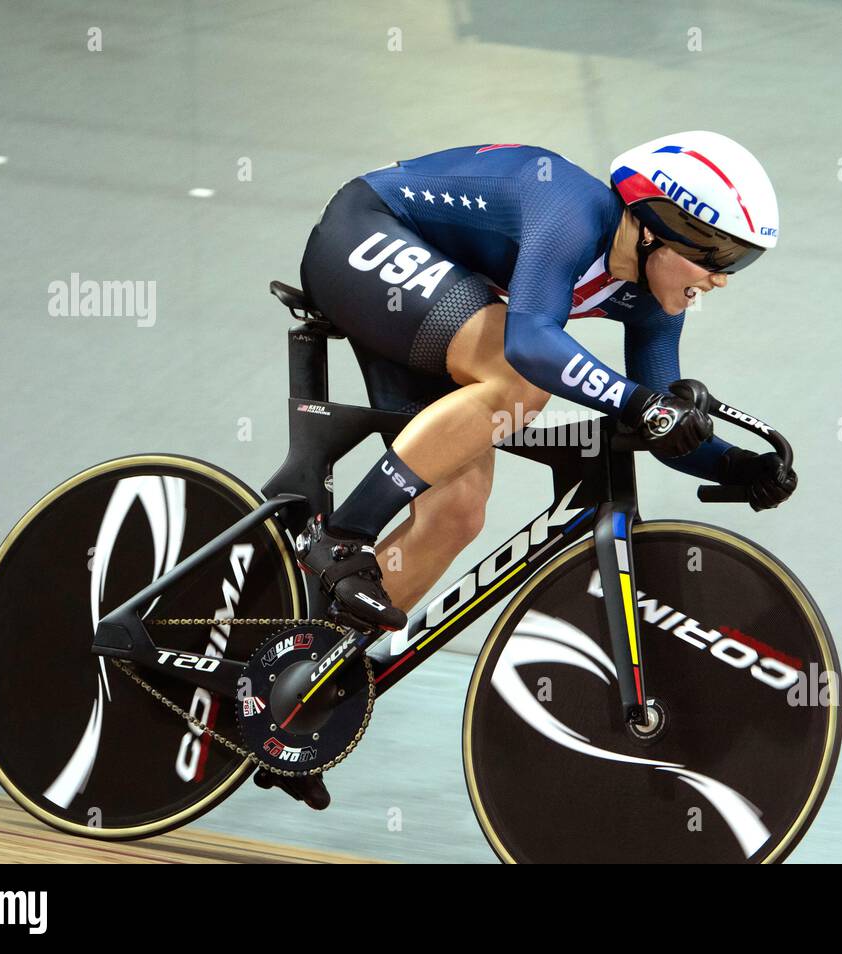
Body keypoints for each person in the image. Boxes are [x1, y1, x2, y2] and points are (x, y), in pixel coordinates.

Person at [262, 132, 798, 809]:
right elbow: (533, 342)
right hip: (365, 235)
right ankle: (342, 542)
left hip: (442, 294)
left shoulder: (652, 305)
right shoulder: (570, 208)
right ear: (659, 226)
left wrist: (741, 465)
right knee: (518, 384)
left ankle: (295, 694)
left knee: (459, 511)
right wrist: (640, 402)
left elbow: (659, 423)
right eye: (717, 254)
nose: (720, 278)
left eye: (739, 262)